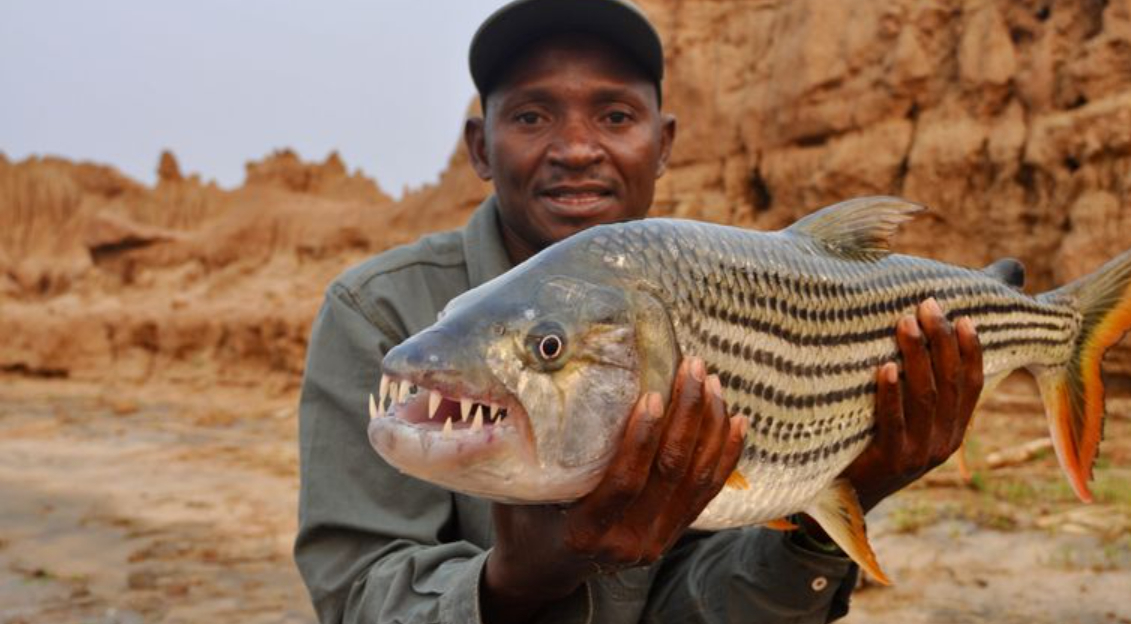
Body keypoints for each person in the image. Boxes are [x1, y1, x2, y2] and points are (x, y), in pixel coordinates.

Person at [294, 0, 984, 622]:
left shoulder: (713, 297)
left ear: (664, 145)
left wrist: (833, 506)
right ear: (480, 146)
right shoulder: (378, 311)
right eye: (531, 116)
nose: (575, 149)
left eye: (616, 116)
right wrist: (517, 581)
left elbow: (699, 606)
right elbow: (358, 593)